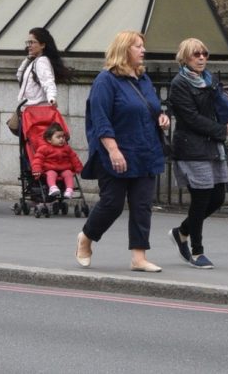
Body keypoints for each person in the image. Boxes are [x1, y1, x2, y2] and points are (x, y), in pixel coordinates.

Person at [76, 29, 169, 273]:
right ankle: (86, 238)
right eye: (137, 46)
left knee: (142, 205)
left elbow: (150, 107)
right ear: (124, 50)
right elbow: (100, 118)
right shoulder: (105, 81)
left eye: (142, 46)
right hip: (117, 152)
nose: (143, 50)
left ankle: (139, 257)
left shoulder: (143, 79)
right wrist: (113, 150)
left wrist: (162, 117)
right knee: (112, 204)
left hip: (145, 150)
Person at [165, 37, 228, 268]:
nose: (202, 58)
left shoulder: (208, 79)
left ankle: (182, 231)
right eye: (196, 54)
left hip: (212, 146)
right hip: (192, 147)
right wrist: (221, 130)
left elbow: (219, 107)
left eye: (204, 54)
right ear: (185, 58)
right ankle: (197, 251)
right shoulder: (179, 84)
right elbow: (190, 118)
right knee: (201, 198)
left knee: (218, 197)